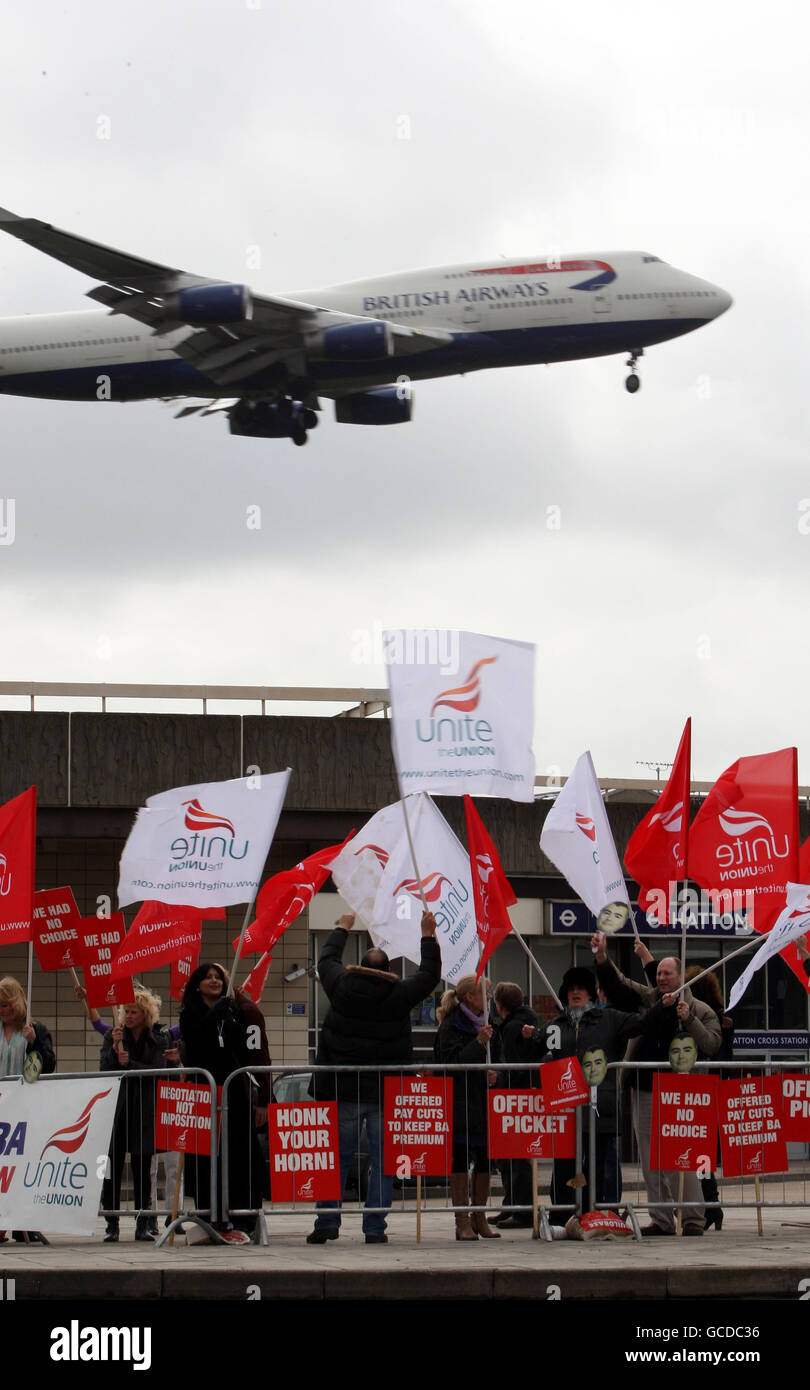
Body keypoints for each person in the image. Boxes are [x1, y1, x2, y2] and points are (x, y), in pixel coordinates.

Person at [307, 910, 441, 1246]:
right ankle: (374, 1228)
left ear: (357, 965)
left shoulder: (339, 986)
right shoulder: (399, 995)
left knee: (337, 1160)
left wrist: (341, 927)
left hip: (342, 1091)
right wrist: (427, 934)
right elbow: (429, 975)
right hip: (384, 1093)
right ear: (389, 971)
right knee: (384, 1163)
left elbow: (326, 959)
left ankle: (326, 1222)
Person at [591, 935, 721, 1237]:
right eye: (659, 973)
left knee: (684, 1156)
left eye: (668, 974)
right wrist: (601, 957)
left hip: (683, 1092)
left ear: (681, 975)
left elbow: (712, 1044)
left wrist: (689, 1020)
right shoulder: (650, 999)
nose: (662, 979)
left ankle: (692, 1218)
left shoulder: (701, 1009)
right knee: (651, 1157)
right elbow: (620, 985)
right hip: (647, 1088)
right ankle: (661, 1219)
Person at [521, 966, 642, 1212]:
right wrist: (529, 1038)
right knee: (565, 1162)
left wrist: (667, 1009)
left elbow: (641, 1022)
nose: (576, 993)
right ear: (565, 993)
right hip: (565, 1108)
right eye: (572, 989)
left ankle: (599, 1211)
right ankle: (564, 1212)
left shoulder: (609, 1019)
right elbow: (535, 1053)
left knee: (598, 1163)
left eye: (582, 989)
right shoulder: (556, 1025)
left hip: (599, 1106)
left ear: (591, 994)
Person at [179, 962, 271, 1244]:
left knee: (239, 1156)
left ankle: (243, 1217)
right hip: (204, 1096)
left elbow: (252, 1055)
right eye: (207, 977)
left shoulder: (237, 1013)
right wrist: (214, 1014)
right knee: (206, 1157)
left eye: (218, 977)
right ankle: (209, 1216)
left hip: (234, 1096)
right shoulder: (190, 1015)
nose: (214, 981)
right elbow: (194, 1048)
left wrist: (260, 1100)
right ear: (197, 985)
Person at [99, 986, 178, 1242]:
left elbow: (157, 1069)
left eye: (133, 1011)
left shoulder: (158, 1038)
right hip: (119, 1108)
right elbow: (105, 1069)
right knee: (112, 1164)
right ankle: (111, 1222)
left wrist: (129, 1064)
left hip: (144, 1109)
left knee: (143, 1166)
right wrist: (113, 1051)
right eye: (126, 1011)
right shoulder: (114, 1036)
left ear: (145, 1014)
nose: (128, 1016)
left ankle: (143, 1222)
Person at [434, 973, 501, 1241]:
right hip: (461, 1103)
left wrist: (497, 1075)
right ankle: (462, 1220)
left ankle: (479, 1217)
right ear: (470, 997)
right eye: (485, 993)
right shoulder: (451, 1026)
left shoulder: (489, 1023)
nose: (490, 998)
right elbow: (451, 1063)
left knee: (485, 1160)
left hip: (484, 1104)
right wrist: (477, 1044)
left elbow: (503, 1060)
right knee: (460, 1159)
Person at [0, 977, 55, 1245]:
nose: (2, 1010)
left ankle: (26, 1224)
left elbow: (49, 1065)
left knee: (24, 1165)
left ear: (17, 1004)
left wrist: (35, 1044)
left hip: (25, 1108)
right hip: (1, 1107)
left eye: (5, 1005)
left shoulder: (35, 1029)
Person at [685, 965, 735, 1230]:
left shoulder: (705, 1017)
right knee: (702, 1153)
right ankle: (712, 1205)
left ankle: (710, 1204)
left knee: (699, 1152)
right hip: (714, 1087)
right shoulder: (724, 1017)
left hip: (702, 1087)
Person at [491, 981, 537, 1229]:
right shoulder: (522, 1022)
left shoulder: (511, 1028)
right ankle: (512, 1205)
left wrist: (500, 1081)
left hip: (512, 1096)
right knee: (510, 1156)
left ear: (499, 1005)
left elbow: (511, 1063)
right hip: (516, 1094)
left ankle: (522, 1210)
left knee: (515, 1156)